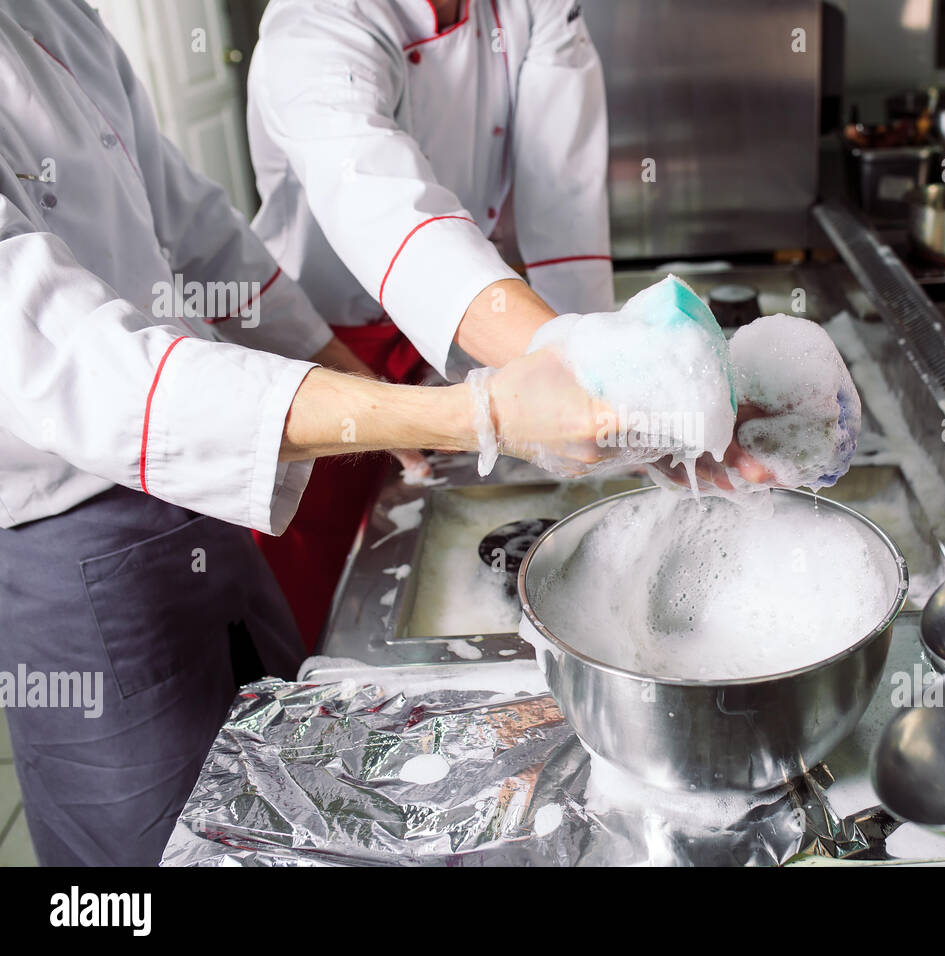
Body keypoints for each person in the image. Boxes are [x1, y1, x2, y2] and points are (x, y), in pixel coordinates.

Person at [0, 0, 623, 866]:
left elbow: (204, 238)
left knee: (289, 784)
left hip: (204, 475)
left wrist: (353, 372)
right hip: (69, 535)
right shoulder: (314, 25)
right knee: (141, 845)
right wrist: (470, 411)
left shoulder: (54, 16)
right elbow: (86, 371)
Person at [244, 0, 616, 648]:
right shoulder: (314, 20)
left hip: (467, 326)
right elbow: (394, 219)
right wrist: (574, 368)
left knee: (434, 546)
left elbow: (567, 210)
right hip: (317, 347)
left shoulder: (540, 8)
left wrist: (603, 382)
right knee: (335, 600)